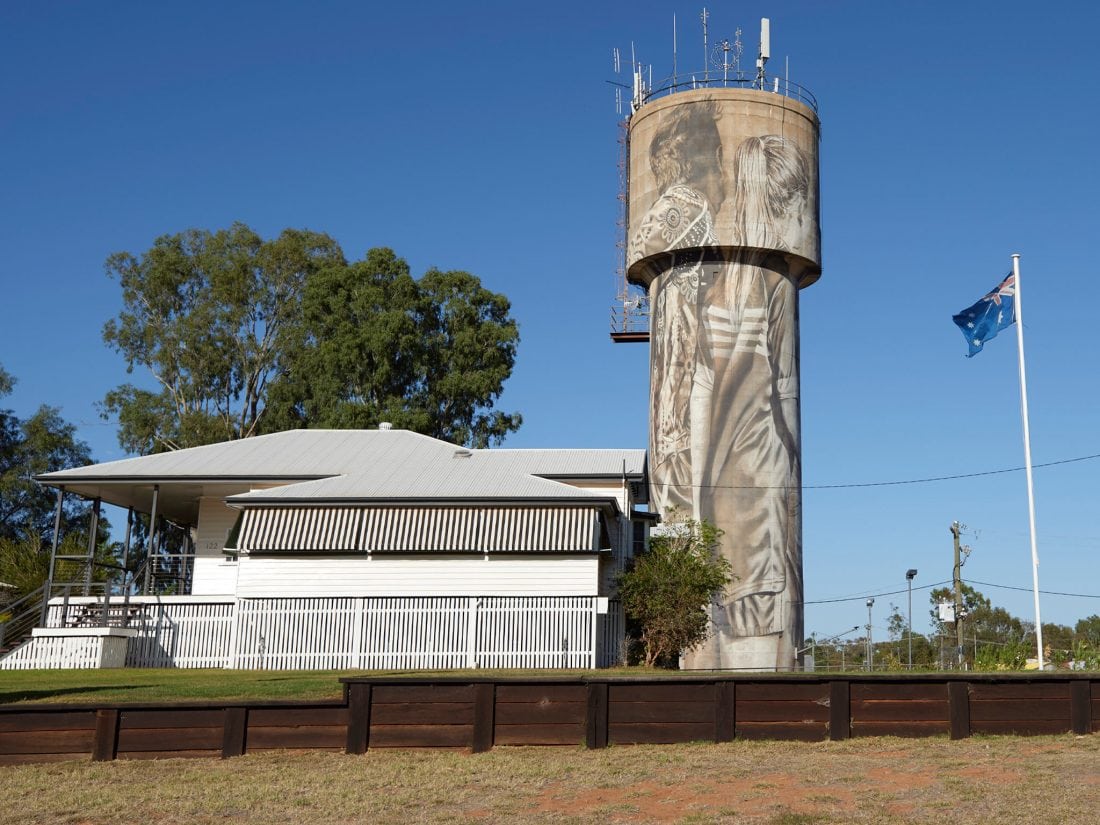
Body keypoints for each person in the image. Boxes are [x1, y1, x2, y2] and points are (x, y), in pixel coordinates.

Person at [628, 102, 724, 517]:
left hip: (676, 397)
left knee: (681, 511)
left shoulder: (684, 208)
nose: (724, 173)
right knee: (686, 499)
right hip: (681, 393)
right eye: (718, 158)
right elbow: (641, 244)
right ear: (699, 162)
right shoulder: (687, 205)